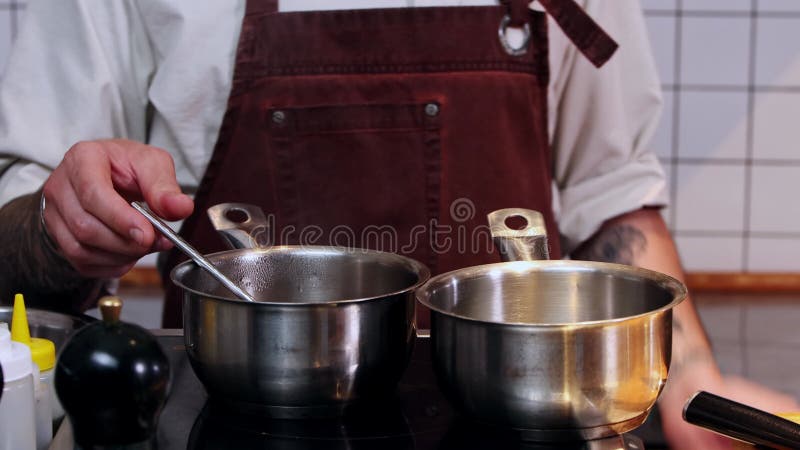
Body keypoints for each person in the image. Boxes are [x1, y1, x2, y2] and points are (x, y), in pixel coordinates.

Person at [0, 0, 796, 448]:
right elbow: (19, 227)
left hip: (534, 431)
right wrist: (55, 218)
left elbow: (611, 193)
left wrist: (690, 382)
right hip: (244, 428)